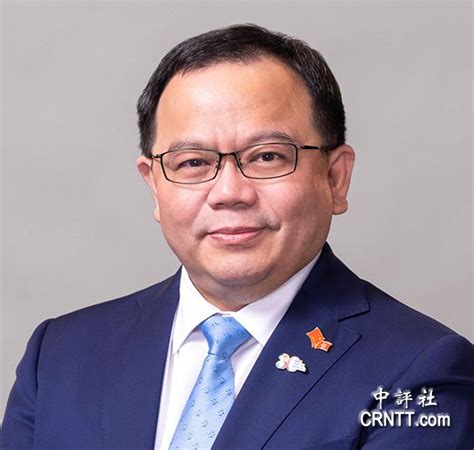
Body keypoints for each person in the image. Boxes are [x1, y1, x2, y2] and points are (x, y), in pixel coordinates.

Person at [1, 24, 473, 450]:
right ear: (154, 185)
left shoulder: (422, 371)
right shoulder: (61, 353)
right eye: (193, 162)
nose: (229, 193)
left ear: (335, 178)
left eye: (267, 156)